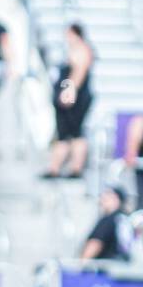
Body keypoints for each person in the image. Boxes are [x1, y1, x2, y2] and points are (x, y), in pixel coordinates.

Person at [43, 23, 94, 179]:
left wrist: (70, 91)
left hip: (75, 98)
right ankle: (55, 168)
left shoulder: (81, 50)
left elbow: (79, 71)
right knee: (64, 134)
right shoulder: (76, 50)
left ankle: (75, 168)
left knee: (74, 133)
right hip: (70, 96)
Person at [80, 185, 132, 261]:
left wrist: (82, 264)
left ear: (116, 199)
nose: (103, 197)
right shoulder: (127, 219)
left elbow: (95, 243)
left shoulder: (109, 219)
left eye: (107, 194)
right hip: (124, 265)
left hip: (106, 268)